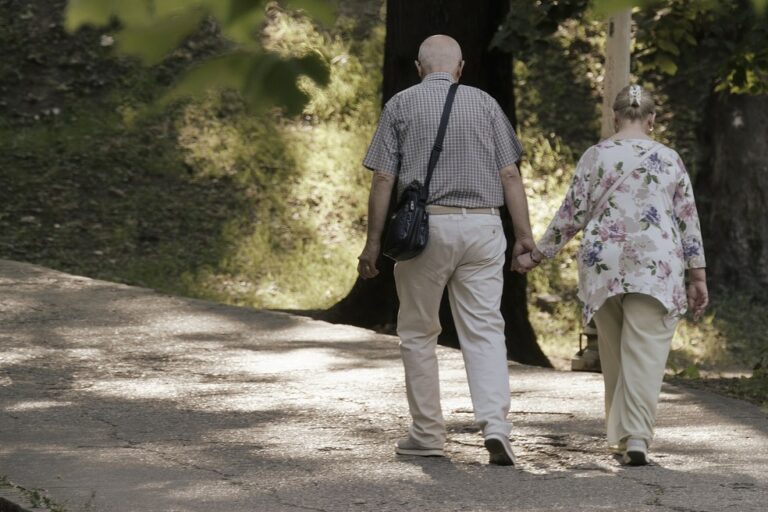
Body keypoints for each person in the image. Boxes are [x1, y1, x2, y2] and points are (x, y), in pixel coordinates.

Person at [356, 35, 535, 466]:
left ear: (419, 68)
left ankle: (428, 433)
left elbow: (383, 179)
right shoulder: (486, 104)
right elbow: (509, 174)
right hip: (483, 227)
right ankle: (495, 425)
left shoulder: (401, 104)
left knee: (418, 332)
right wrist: (525, 237)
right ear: (460, 68)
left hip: (426, 230)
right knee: (485, 330)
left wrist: (373, 243)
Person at [515, 85, 709, 466]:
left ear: (615, 117)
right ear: (651, 120)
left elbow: (571, 214)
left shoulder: (595, 156)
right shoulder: (670, 159)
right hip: (656, 264)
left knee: (614, 350)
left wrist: (538, 254)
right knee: (646, 351)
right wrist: (697, 274)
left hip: (605, 262)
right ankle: (635, 435)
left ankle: (620, 437)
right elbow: (688, 220)